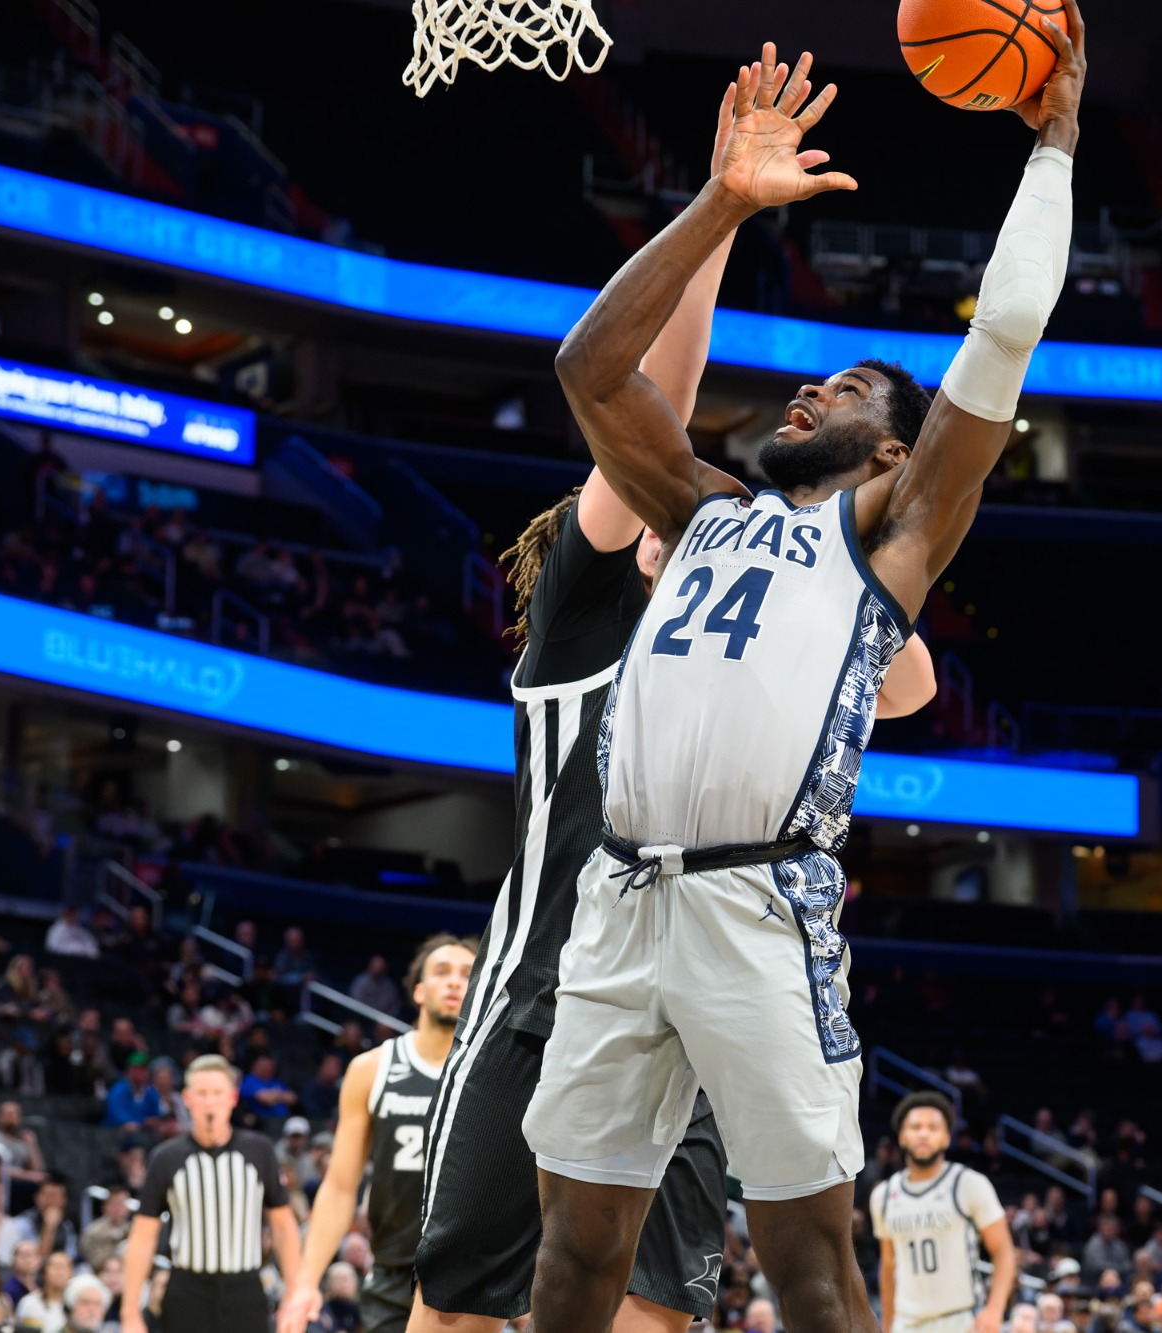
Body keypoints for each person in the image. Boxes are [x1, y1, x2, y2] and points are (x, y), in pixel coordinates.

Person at [521, 18, 1083, 1333]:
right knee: (569, 1264)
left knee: (812, 1277)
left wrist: (1054, 137)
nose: (803, 398)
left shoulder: (891, 533)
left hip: (758, 904)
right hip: (619, 892)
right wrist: (716, 200)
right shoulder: (701, 504)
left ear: (889, 454)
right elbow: (586, 369)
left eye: (837, 394)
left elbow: (1003, 329)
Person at [408, 80, 938, 1333]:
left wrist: (833, 538)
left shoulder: (763, 614)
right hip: (550, 972)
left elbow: (905, 684)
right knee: (462, 1302)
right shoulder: (591, 605)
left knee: (653, 1304)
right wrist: (721, 216)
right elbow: (643, 396)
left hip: (713, 967)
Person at [278, 936, 474, 1333]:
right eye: (442, 972)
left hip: (470, 1278)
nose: (454, 982)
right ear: (418, 990)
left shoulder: (493, 1072)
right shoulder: (373, 1068)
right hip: (391, 1271)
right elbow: (339, 1186)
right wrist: (305, 1282)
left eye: (467, 975)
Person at [123, 1055, 300, 1332]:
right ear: (188, 1098)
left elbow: (284, 1227)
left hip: (244, 1288)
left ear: (232, 1097)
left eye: (217, 1093)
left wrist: (294, 1293)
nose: (209, 1102)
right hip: (187, 1288)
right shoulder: (166, 1157)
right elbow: (143, 1236)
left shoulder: (259, 1151)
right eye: (202, 1094)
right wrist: (129, 1311)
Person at [872, 1093, 1016, 1333]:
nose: (924, 1133)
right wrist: (887, 1325)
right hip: (907, 1324)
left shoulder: (968, 1184)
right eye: (916, 1127)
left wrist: (994, 1310)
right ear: (902, 1137)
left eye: (933, 1127)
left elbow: (1004, 1252)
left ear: (947, 1138)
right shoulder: (883, 1196)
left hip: (961, 1320)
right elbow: (888, 1267)